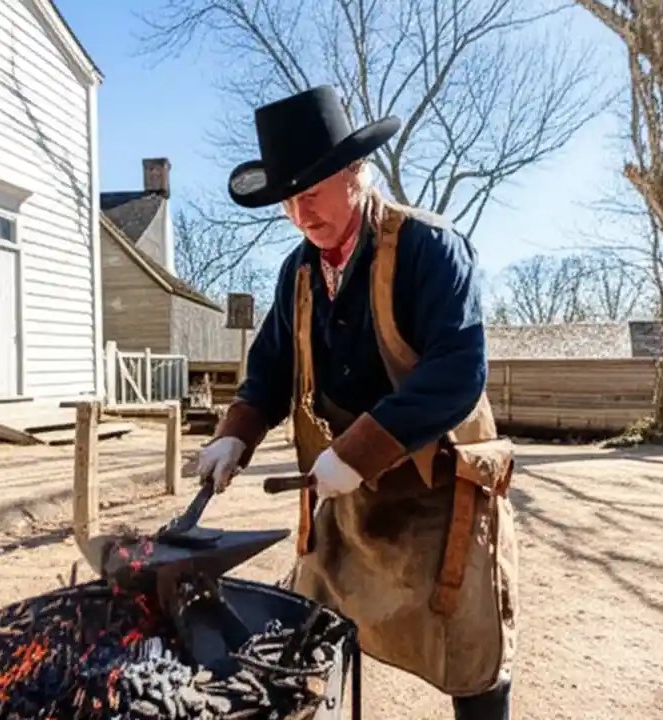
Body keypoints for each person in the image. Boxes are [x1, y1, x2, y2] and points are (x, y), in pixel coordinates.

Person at [194, 85, 519, 720]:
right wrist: (236, 432)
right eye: (288, 196)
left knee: (471, 655)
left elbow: (458, 372)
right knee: (314, 625)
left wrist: (361, 450)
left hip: (438, 491)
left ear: (355, 172)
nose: (299, 209)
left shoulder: (429, 247)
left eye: (312, 188)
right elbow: (268, 372)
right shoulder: (299, 272)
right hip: (346, 499)